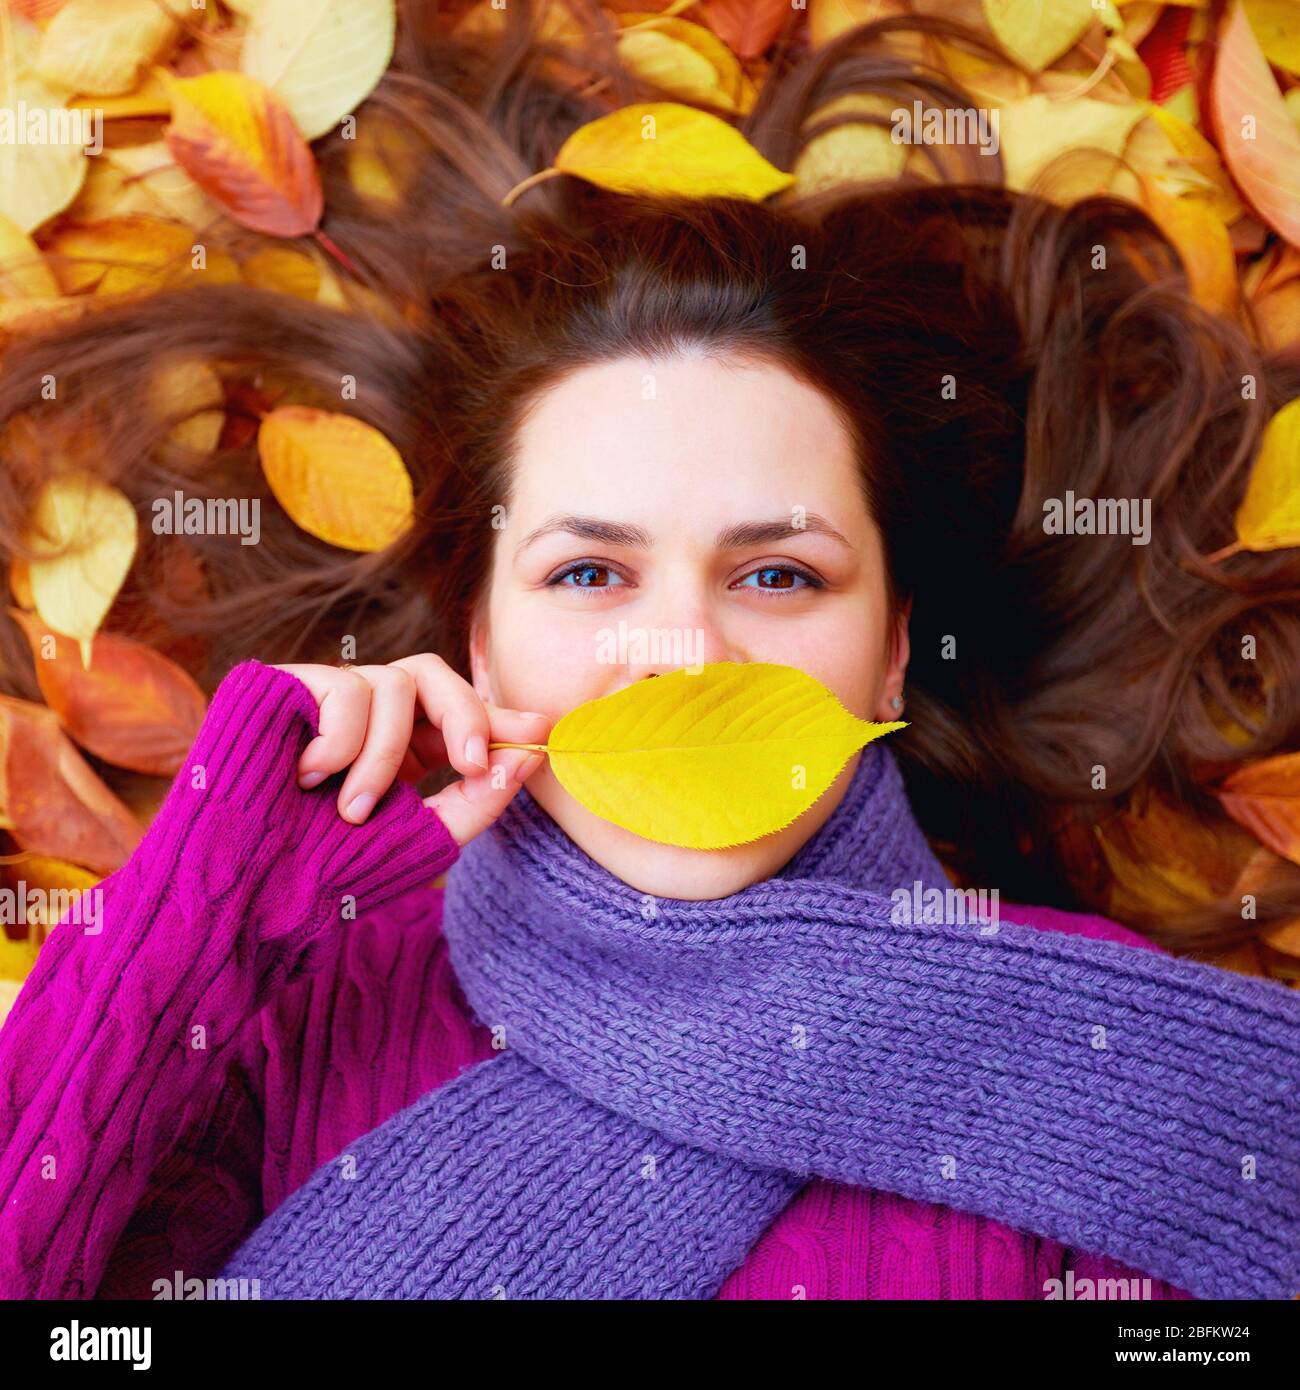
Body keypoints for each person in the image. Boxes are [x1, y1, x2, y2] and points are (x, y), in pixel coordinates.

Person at [1, 4, 1298, 1301]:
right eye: (588, 572)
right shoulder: (290, 1002)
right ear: (477, 644)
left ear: (894, 651)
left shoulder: (1107, 1049)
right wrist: (200, 900)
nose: (682, 650)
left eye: (779, 573)